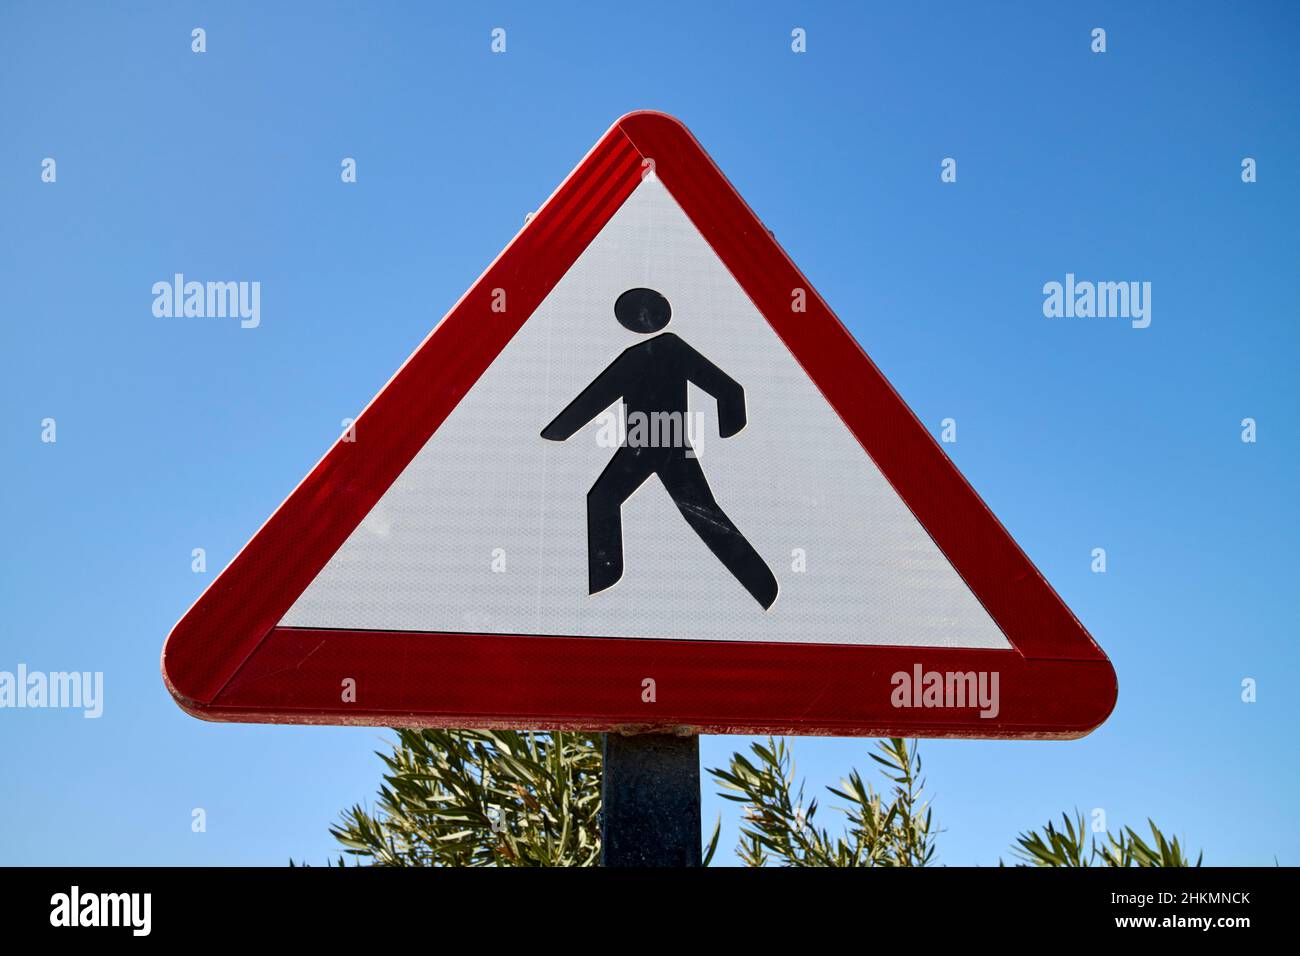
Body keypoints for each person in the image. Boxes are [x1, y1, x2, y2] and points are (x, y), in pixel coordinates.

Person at [541, 288, 778, 609]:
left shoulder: (666, 348)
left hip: (663, 443)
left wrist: (731, 425)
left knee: (692, 510)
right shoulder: (640, 355)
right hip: (647, 443)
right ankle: (602, 585)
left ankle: (764, 589)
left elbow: (726, 388)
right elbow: (596, 397)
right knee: (612, 500)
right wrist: (558, 432)